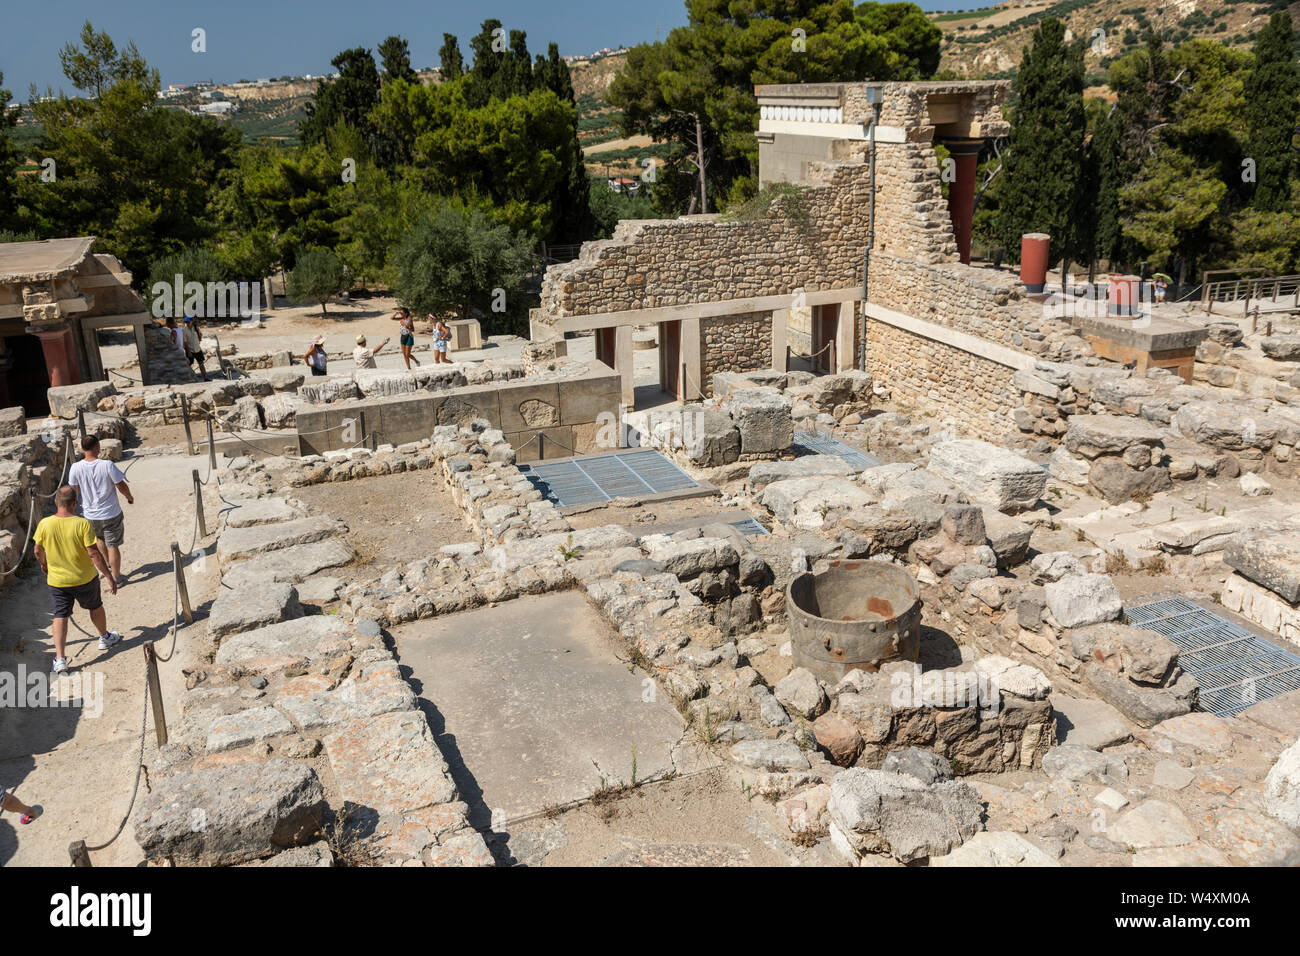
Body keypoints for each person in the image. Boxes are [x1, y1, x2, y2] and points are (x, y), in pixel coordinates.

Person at [33, 486, 121, 676]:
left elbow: (37, 550)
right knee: (95, 606)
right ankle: (104, 637)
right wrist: (108, 576)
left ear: (56, 502)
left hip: (57, 580)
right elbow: (93, 554)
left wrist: (44, 565)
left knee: (60, 615)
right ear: (74, 503)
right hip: (84, 578)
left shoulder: (45, 524)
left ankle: (60, 659)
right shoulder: (82, 524)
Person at [68, 434, 133, 587]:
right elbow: (120, 484)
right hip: (110, 513)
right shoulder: (107, 465)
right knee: (113, 545)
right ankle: (116, 577)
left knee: (99, 540)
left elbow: (73, 491)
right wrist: (129, 497)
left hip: (90, 514)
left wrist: (72, 510)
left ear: (83, 448)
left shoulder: (75, 467)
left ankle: (108, 569)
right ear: (97, 447)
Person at [182, 315, 208, 381]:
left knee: (201, 363)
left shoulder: (196, 328)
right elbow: (185, 342)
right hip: (190, 350)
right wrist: (188, 351)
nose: (187, 323)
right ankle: (190, 378)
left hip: (197, 349)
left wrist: (199, 337)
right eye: (186, 322)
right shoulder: (184, 330)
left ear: (191, 321)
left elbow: (200, 336)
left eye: (188, 322)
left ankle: (205, 377)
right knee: (189, 365)